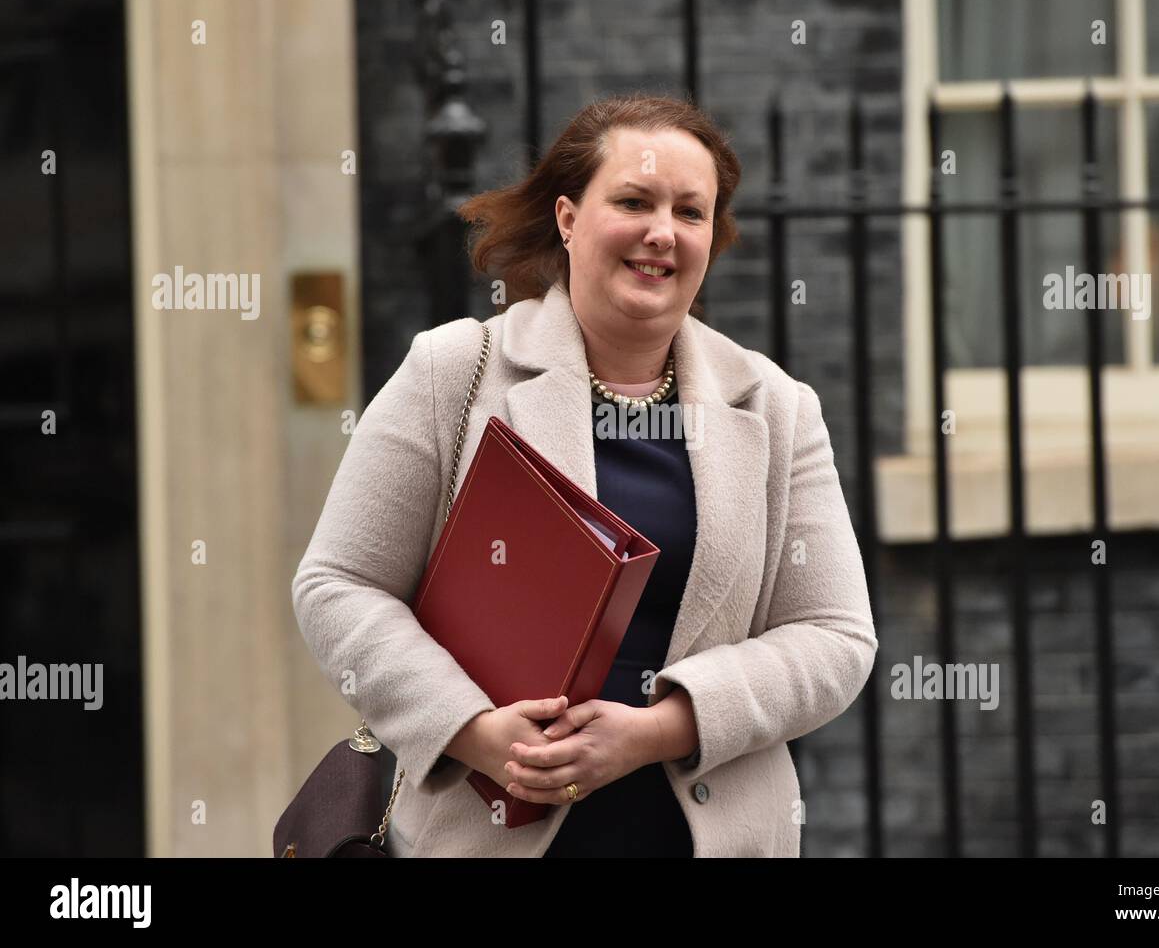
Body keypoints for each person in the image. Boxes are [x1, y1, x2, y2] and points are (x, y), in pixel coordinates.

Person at [291, 94, 877, 857]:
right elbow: (336, 584)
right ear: (568, 218)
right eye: (633, 201)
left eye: (690, 212)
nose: (662, 232)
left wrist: (658, 729)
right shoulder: (453, 371)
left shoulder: (777, 407)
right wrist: (472, 730)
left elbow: (836, 636)